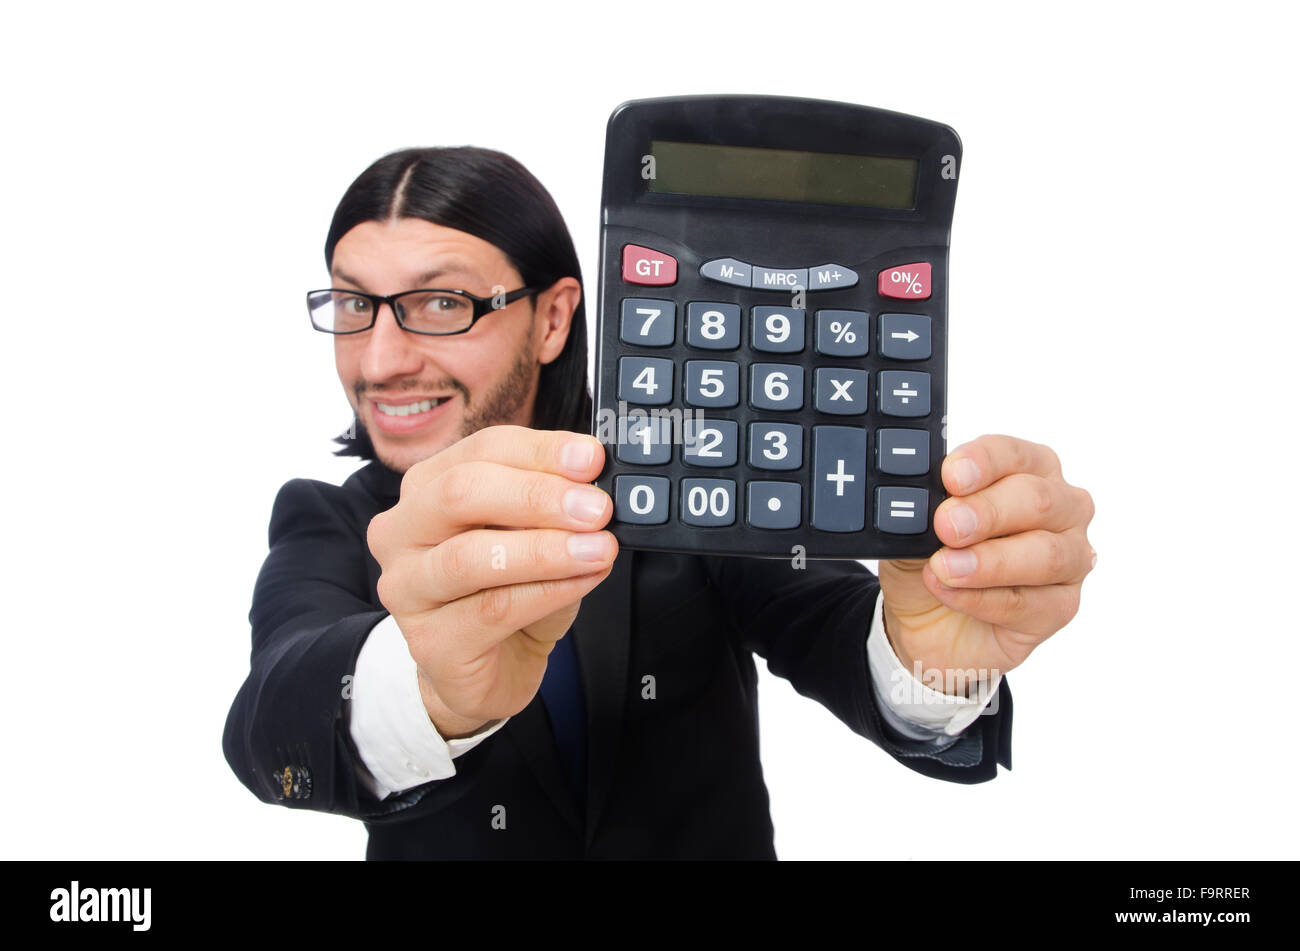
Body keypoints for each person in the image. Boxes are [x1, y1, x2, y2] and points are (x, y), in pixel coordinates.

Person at [222, 146, 1096, 859]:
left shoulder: (687, 470)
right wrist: (426, 686)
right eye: (352, 304)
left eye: (439, 303)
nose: (377, 362)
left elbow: (830, 620)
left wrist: (930, 659)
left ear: (555, 318)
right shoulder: (328, 519)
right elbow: (273, 733)